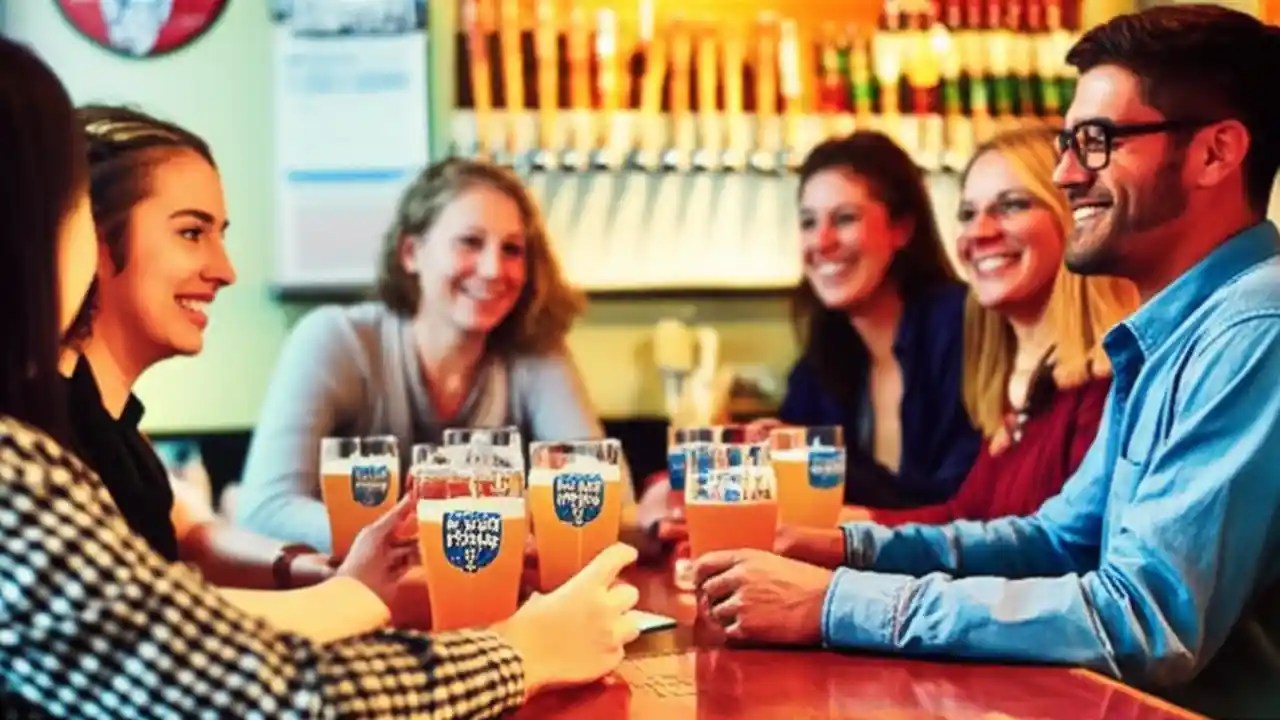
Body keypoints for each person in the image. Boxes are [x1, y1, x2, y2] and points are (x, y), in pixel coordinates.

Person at [0, 37, 637, 716]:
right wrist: (522, 649)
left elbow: (178, 611)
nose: (225, 269)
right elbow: (259, 686)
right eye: (192, 233)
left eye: (513, 249)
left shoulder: (97, 431)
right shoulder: (26, 461)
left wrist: (349, 585)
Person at [691, 6, 1280, 716]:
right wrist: (847, 548)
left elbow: (1146, 621)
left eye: (1096, 141)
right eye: (1067, 143)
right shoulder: (1170, 336)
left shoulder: (1255, 327)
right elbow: (1056, 539)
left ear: (1216, 153)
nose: (1065, 173)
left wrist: (835, 603)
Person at [62, 104, 416, 641]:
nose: (224, 271)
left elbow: (194, 536)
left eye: (218, 234)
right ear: (92, 238)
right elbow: (155, 628)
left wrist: (305, 568)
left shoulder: (114, 423)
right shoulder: (47, 432)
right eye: (190, 233)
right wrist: (346, 595)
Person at [235, 157, 660, 554]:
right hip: (355, 607)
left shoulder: (534, 349)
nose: (494, 269)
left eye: (512, 249)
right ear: (411, 253)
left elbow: (608, 501)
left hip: (491, 608)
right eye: (470, 243)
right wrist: (444, 532)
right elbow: (263, 511)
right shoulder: (338, 340)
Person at [841, 128, 1138, 527]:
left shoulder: (1107, 386)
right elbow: (965, 521)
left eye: (1012, 205)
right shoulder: (1017, 384)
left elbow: (1064, 562)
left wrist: (843, 542)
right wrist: (832, 530)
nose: (979, 233)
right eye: (967, 214)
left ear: (1074, 219)